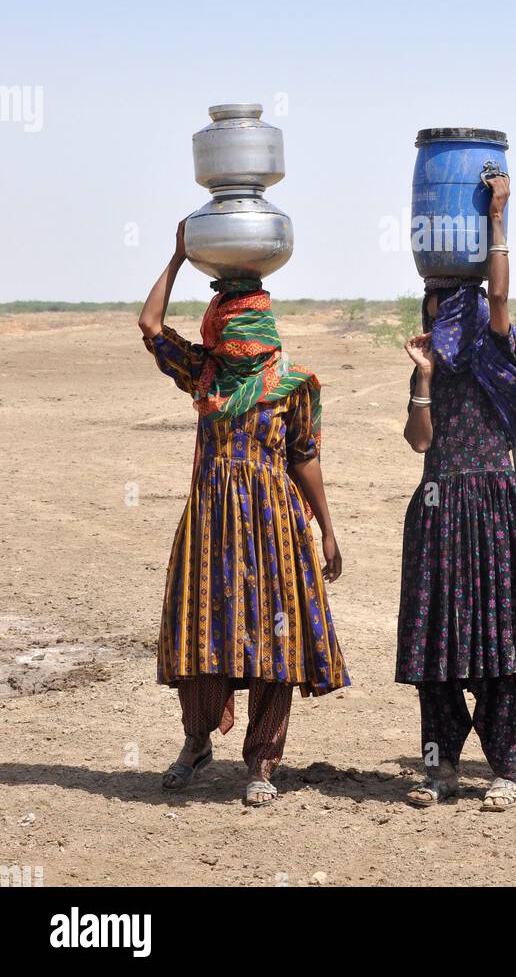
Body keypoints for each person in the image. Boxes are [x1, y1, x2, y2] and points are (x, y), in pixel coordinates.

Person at [137, 219, 349, 806]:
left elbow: (305, 458)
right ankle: (195, 743)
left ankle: (262, 764)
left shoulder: (294, 386)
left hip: (274, 529)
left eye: (246, 331)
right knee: (200, 636)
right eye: (228, 329)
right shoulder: (202, 372)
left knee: (273, 644)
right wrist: (179, 256)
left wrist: (327, 531)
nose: (240, 344)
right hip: (209, 526)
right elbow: (151, 326)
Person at [397, 173, 516, 811]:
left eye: (440, 301)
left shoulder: (494, 347)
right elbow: (417, 440)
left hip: (490, 509)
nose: (430, 310)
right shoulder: (427, 363)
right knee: (437, 651)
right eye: (428, 300)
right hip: (437, 509)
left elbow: (500, 294)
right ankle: (440, 770)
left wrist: (497, 215)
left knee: (494, 647)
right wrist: (425, 377)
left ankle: (507, 771)